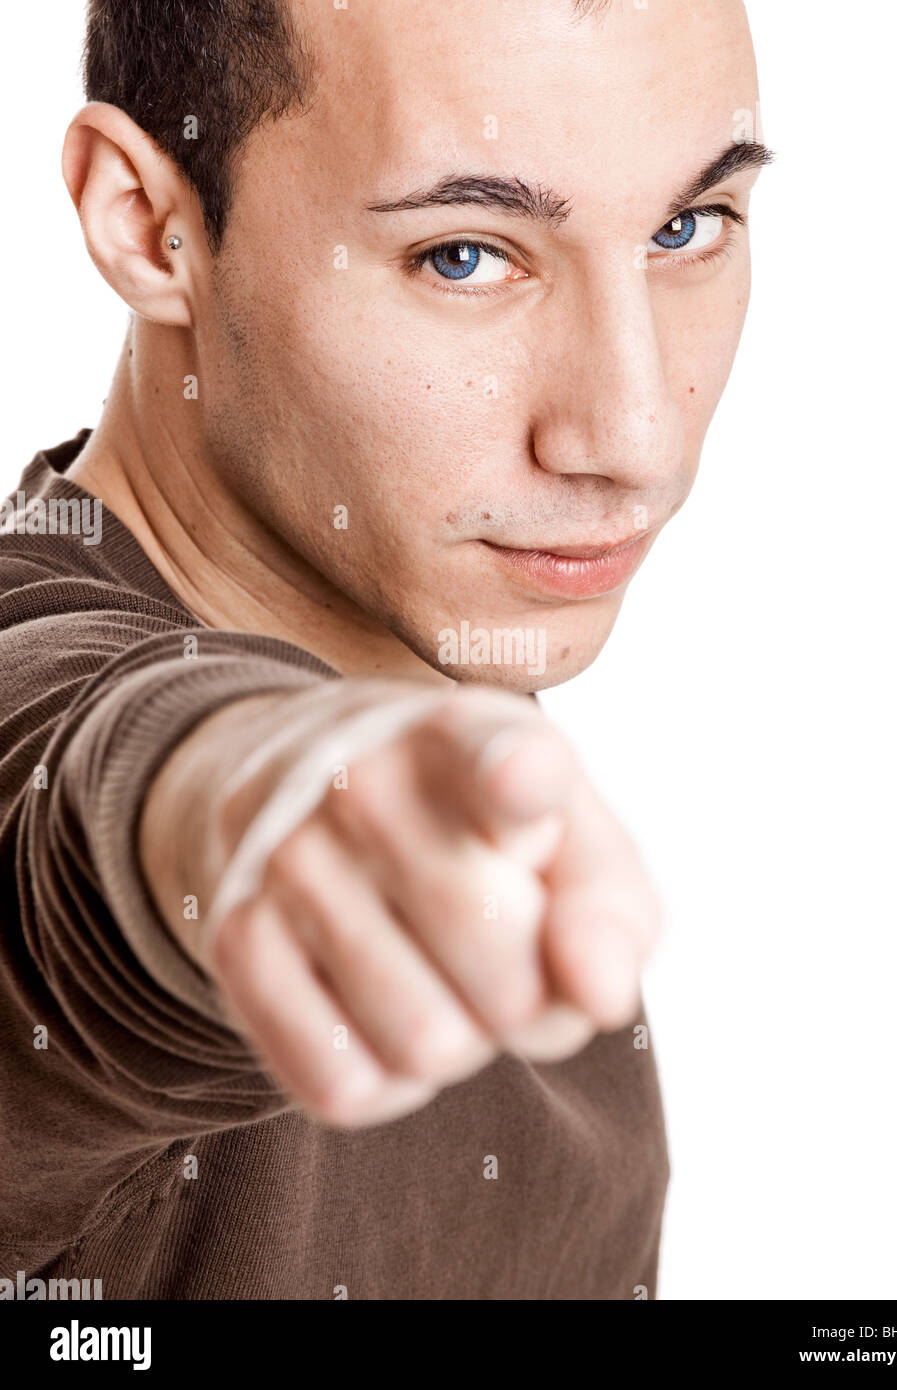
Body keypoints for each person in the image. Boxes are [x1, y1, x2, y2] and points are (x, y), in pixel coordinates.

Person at [0, 0, 769, 1299]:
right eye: (464, 255)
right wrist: (242, 802)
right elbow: (85, 817)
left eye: (687, 228)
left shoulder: (452, 692)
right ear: (148, 223)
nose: (635, 435)